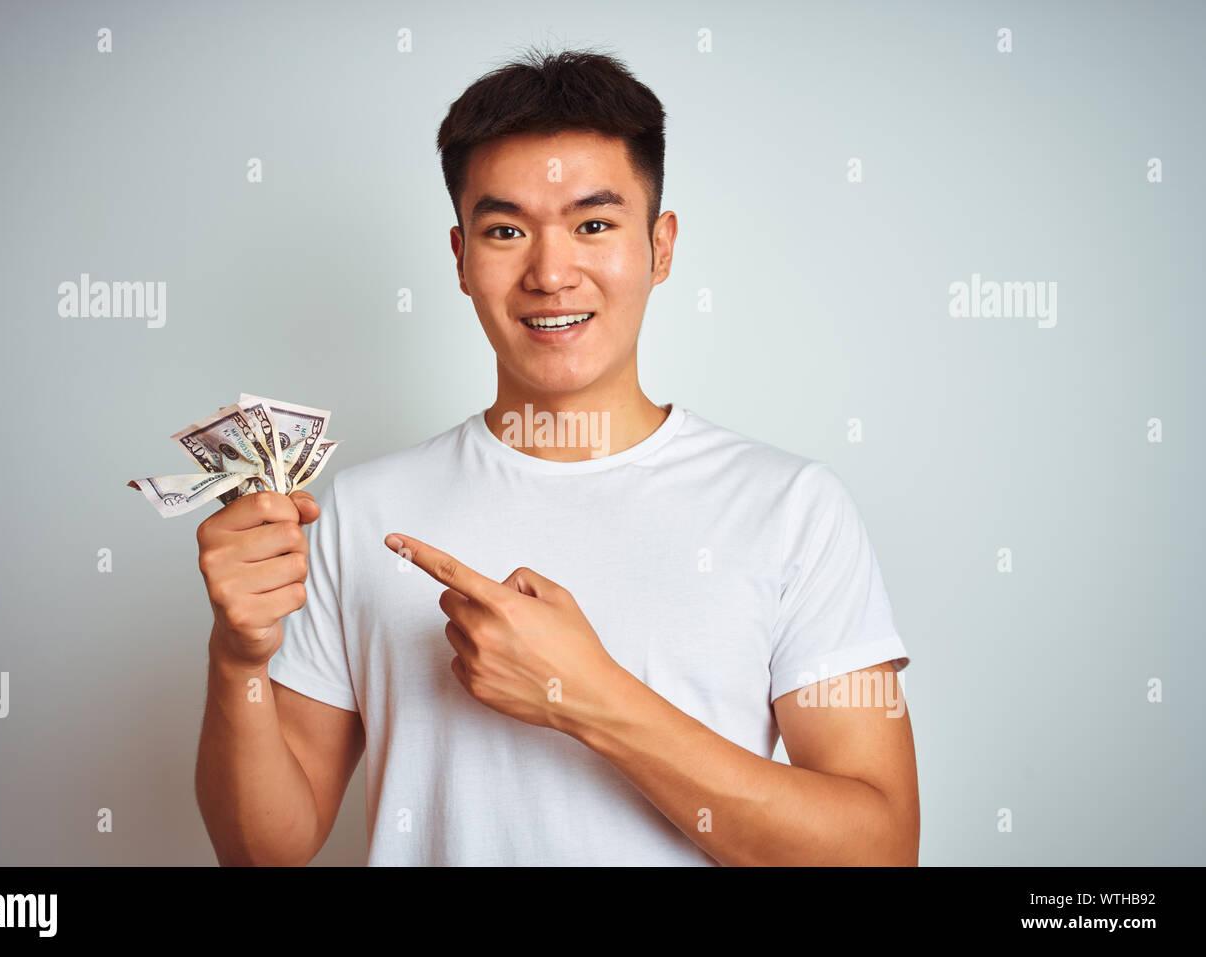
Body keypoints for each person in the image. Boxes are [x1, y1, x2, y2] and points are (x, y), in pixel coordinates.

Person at [194, 48, 919, 866]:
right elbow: (263, 853)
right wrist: (237, 657)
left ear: (662, 246)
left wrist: (589, 697)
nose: (550, 271)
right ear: (462, 257)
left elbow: (878, 852)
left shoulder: (791, 508)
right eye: (507, 231)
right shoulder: (358, 512)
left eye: (593, 225)